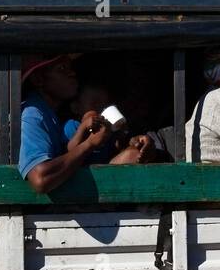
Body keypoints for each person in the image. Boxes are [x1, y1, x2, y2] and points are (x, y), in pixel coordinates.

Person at [19, 54, 148, 193]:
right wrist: (90, 144)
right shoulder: (33, 114)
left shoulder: (50, 114)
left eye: (70, 67)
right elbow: (40, 179)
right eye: (62, 68)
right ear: (38, 79)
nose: (72, 73)